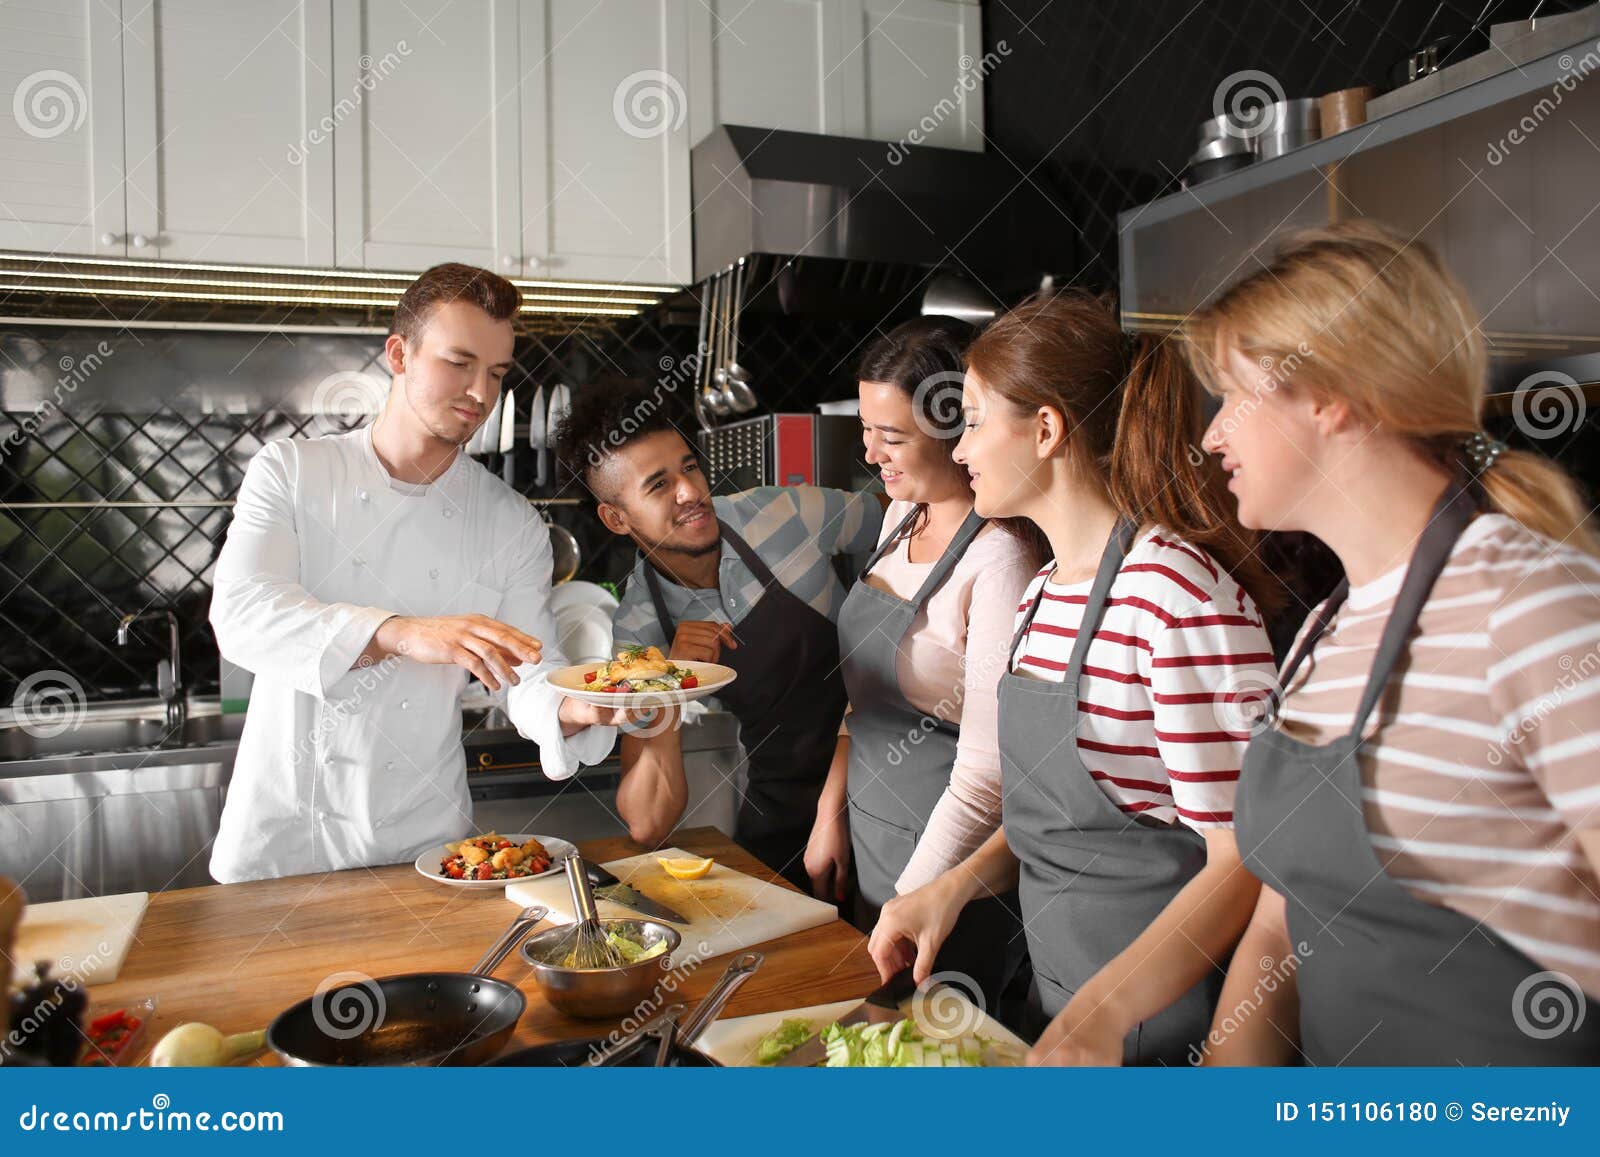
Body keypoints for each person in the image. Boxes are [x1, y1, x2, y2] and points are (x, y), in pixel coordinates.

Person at [1187, 220, 1600, 1066]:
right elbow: (1280, 925)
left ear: (1331, 395)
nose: (1211, 435)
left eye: (1233, 395)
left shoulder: (1530, 606)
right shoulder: (1323, 628)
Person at [869, 291, 1280, 1065]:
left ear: (1048, 429)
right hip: (1058, 1014)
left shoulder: (1175, 598)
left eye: (977, 419)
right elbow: (1051, 823)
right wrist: (949, 888)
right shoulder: (1042, 593)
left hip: (1170, 1035)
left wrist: (1107, 1008)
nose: (959, 450)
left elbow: (1247, 861)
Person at [208, 264, 626, 883]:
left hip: (427, 847)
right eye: (459, 363)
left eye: (496, 373)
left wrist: (576, 710)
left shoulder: (510, 522)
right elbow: (241, 615)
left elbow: (526, 674)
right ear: (399, 354)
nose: (480, 393)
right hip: (288, 843)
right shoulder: (294, 472)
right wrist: (402, 633)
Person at [551, 386, 883, 891]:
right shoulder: (640, 634)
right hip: (782, 817)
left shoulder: (784, 515)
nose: (690, 492)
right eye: (659, 485)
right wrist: (669, 682)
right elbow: (649, 822)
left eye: (689, 468)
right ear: (616, 518)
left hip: (883, 780)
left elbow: (915, 516)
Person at [806, 317, 1044, 1007]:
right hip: (869, 836)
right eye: (866, 432)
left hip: (945, 868)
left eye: (894, 437)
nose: (873, 454)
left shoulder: (1000, 557)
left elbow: (987, 775)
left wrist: (913, 899)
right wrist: (831, 808)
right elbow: (863, 702)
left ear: (955, 429)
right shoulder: (898, 517)